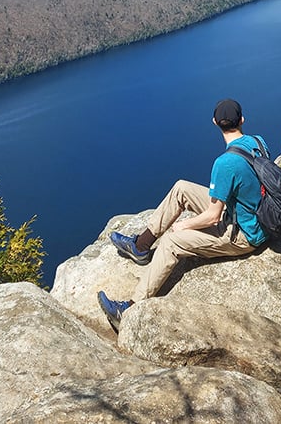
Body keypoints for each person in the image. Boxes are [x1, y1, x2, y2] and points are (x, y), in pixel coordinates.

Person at [97, 97, 270, 331]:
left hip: (244, 234)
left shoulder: (225, 163)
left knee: (170, 243)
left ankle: (128, 310)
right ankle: (141, 246)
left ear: (214, 122)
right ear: (242, 120)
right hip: (249, 214)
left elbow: (213, 217)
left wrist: (184, 227)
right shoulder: (258, 142)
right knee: (181, 188)